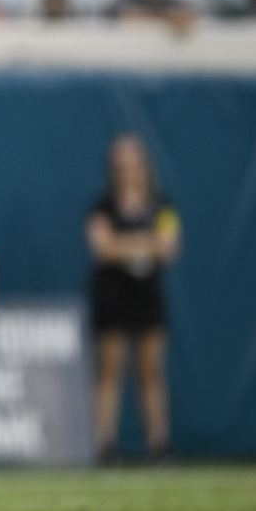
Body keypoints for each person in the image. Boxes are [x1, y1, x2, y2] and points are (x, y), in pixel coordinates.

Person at [86, 134, 181, 464]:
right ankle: (106, 446)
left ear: (144, 165)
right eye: (120, 162)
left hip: (147, 296)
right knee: (110, 372)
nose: (127, 168)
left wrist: (124, 244)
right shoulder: (103, 206)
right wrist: (146, 243)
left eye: (133, 161)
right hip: (113, 296)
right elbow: (102, 248)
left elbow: (168, 248)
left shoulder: (162, 205)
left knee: (152, 372)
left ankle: (159, 444)